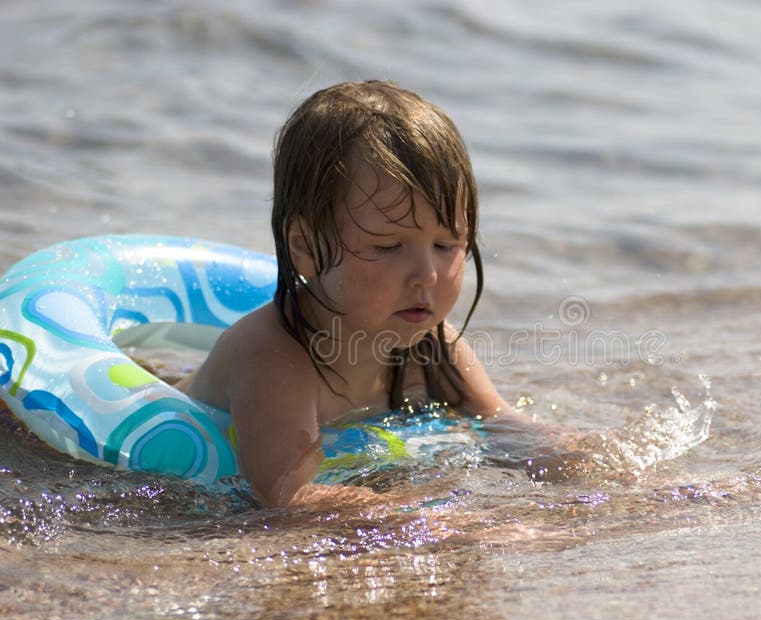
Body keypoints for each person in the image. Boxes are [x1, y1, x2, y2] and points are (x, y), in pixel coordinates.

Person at [177, 81, 512, 508]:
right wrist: (444, 526)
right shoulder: (274, 357)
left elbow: (506, 425)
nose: (426, 274)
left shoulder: (437, 348)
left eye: (446, 245)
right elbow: (286, 494)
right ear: (305, 248)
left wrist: (588, 461)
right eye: (388, 247)